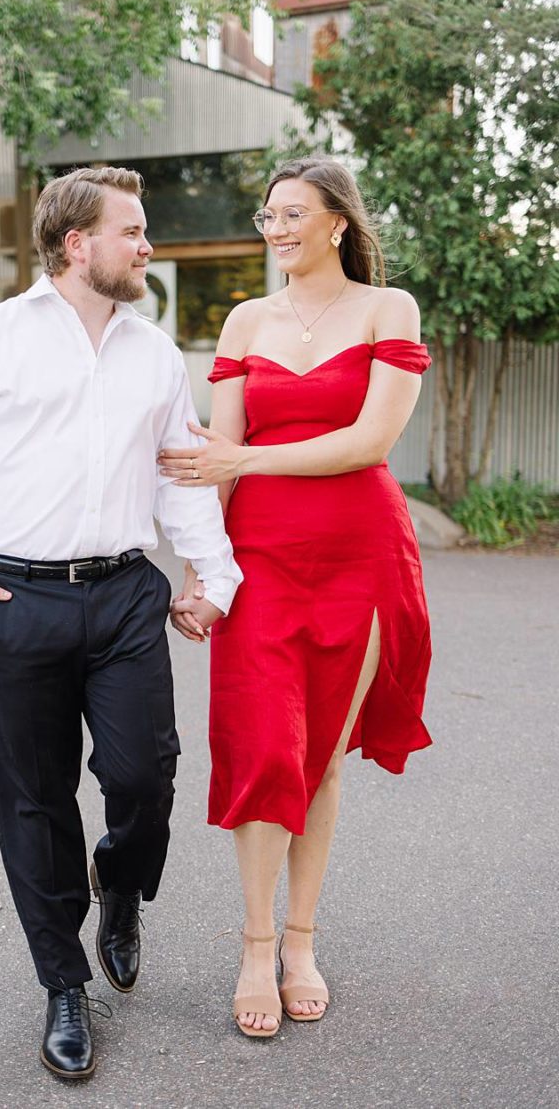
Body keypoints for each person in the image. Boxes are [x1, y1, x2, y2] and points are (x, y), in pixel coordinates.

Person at [0, 167, 241, 1081]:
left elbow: (178, 472)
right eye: (133, 229)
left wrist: (214, 573)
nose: (148, 244)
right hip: (13, 601)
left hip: (128, 592)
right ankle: (63, 983)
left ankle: (120, 882)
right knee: (36, 801)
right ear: (77, 244)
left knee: (145, 773)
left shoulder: (156, 353)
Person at [161, 157, 432, 1039]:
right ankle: (253, 945)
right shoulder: (246, 318)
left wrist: (242, 460)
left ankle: (302, 942)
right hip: (263, 561)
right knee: (262, 748)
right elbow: (221, 453)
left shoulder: (388, 310)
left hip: (361, 555)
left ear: (336, 223)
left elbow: (371, 437)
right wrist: (206, 573)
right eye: (266, 215)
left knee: (319, 758)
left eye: (290, 214)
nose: (274, 228)